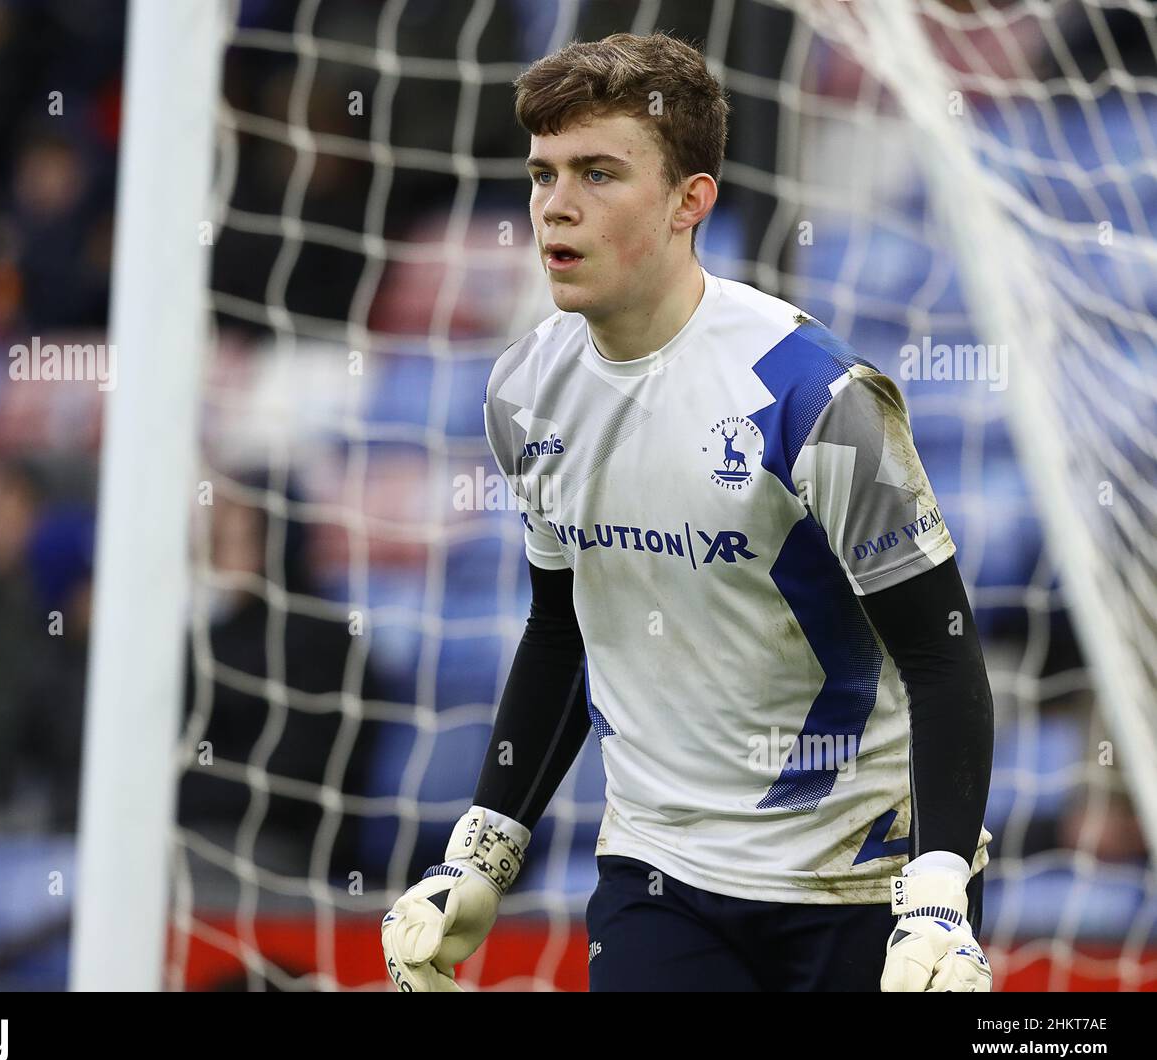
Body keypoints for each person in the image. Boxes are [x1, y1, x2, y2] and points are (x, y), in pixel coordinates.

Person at [382, 31, 994, 992]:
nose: (557, 206)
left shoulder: (816, 397)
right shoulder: (525, 392)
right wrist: (483, 850)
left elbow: (942, 652)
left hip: (861, 887)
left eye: (597, 172)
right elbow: (562, 628)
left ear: (689, 202)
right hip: (661, 880)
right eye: (542, 174)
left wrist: (940, 889)